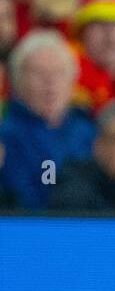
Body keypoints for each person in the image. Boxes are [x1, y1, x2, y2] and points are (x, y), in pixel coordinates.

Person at [0, 30, 94, 208]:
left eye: (59, 73)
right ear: (17, 81)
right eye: (38, 73)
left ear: (72, 80)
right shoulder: (5, 136)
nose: (50, 82)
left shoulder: (91, 132)